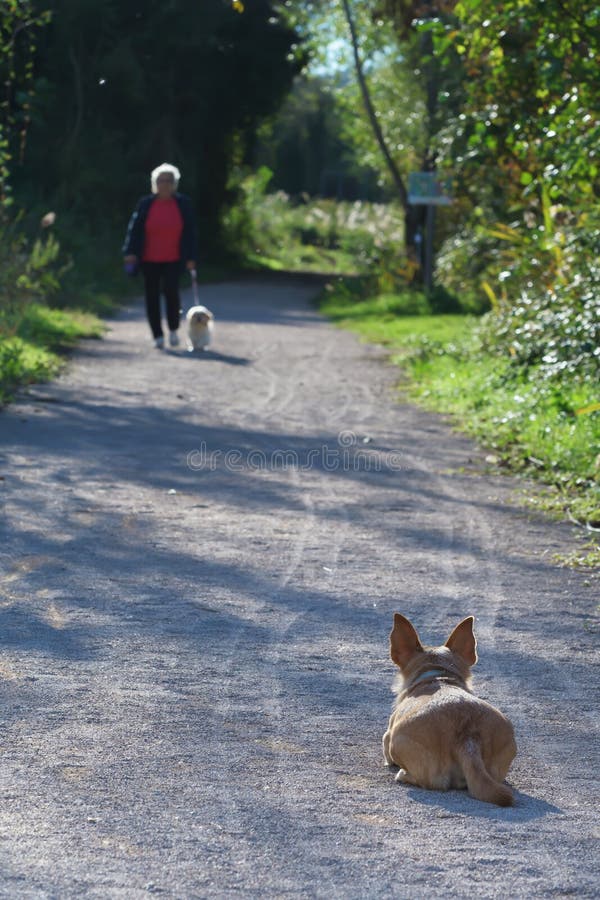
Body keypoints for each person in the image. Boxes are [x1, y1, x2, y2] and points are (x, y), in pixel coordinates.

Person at [123, 163, 197, 349]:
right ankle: (157, 334)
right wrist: (130, 252)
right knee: (152, 297)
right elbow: (135, 229)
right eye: (160, 180)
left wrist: (191, 257)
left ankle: (173, 329)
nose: (164, 184)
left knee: (172, 293)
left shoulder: (183, 203)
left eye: (168, 180)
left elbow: (190, 232)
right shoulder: (146, 203)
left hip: (174, 258)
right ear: (154, 183)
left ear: (174, 183)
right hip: (149, 258)